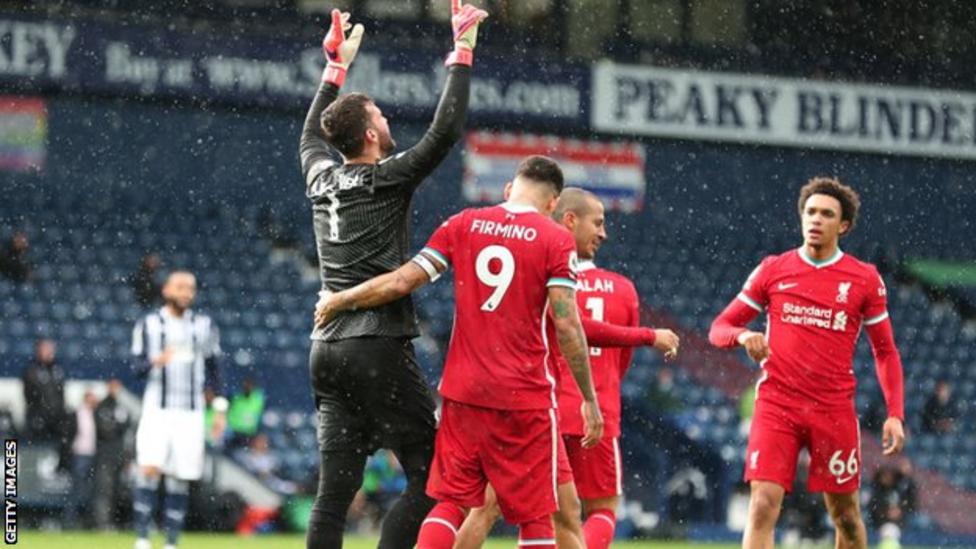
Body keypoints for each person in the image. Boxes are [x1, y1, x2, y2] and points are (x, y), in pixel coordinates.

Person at [315, 156, 604, 549]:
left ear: (508, 190)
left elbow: (402, 281)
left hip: (463, 392)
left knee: (449, 502)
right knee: (535, 514)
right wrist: (589, 398)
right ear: (553, 204)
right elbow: (567, 324)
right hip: (523, 395)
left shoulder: (464, 223)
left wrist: (342, 299)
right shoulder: (556, 240)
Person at [298, 3, 487, 547]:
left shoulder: (319, 177)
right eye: (379, 115)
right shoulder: (386, 178)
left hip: (325, 349)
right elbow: (445, 131)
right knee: (431, 476)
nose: (386, 120)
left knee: (333, 495)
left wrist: (334, 68)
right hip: (376, 342)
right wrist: (463, 51)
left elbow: (311, 135)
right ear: (372, 136)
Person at [454, 188, 680, 548]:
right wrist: (643, 340)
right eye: (599, 223)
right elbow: (617, 360)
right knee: (599, 509)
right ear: (571, 220)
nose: (604, 233)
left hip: (535, 406)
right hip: (593, 410)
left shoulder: (533, 275)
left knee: (492, 506)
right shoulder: (621, 289)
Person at [709, 177, 906, 549]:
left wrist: (894, 412)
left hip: (832, 408)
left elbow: (885, 351)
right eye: (810, 212)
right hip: (776, 405)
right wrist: (743, 336)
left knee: (846, 516)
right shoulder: (773, 269)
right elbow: (720, 326)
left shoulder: (864, 279)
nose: (816, 219)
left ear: (843, 226)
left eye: (827, 214)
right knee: (763, 506)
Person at [130, 271, 221, 549]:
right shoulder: (148, 324)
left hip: (190, 413)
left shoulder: (204, 326)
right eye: (181, 287)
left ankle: (171, 542)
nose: (186, 292)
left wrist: (218, 409)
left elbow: (215, 369)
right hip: (157, 408)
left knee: (180, 477)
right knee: (148, 470)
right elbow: (135, 368)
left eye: (191, 288)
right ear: (167, 290)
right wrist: (156, 361)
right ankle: (143, 539)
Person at [93, 378, 132, 530]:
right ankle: (102, 523)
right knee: (104, 490)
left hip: (119, 455)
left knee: (118, 491)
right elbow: (104, 430)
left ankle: (115, 522)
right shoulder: (103, 406)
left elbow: (127, 425)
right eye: (113, 386)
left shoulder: (120, 406)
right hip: (104, 455)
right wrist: (117, 425)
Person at [21, 338, 67, 441]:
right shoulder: (32, 370)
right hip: (38, 417)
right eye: (46, 349)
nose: (50, 352)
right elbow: (30, 394)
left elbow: (61, 394)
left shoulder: (58, 369)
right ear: (39, 350)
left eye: (51, 349)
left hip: (56, 419)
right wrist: (39, 413)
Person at [66, 390, 99, 528]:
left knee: (90, 490)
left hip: (92, 455)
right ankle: (70, 520)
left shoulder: (96, 414)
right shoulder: (77, 413)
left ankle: (87, 521)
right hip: (79, 454)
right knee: (77, 489)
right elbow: (69, 433)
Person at [226, 378, 265, 448]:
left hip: (250, 433)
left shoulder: (258, 399)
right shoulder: (236, 398)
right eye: (246, 386)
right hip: (234, 432)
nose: (248, 388)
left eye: (250, 386)